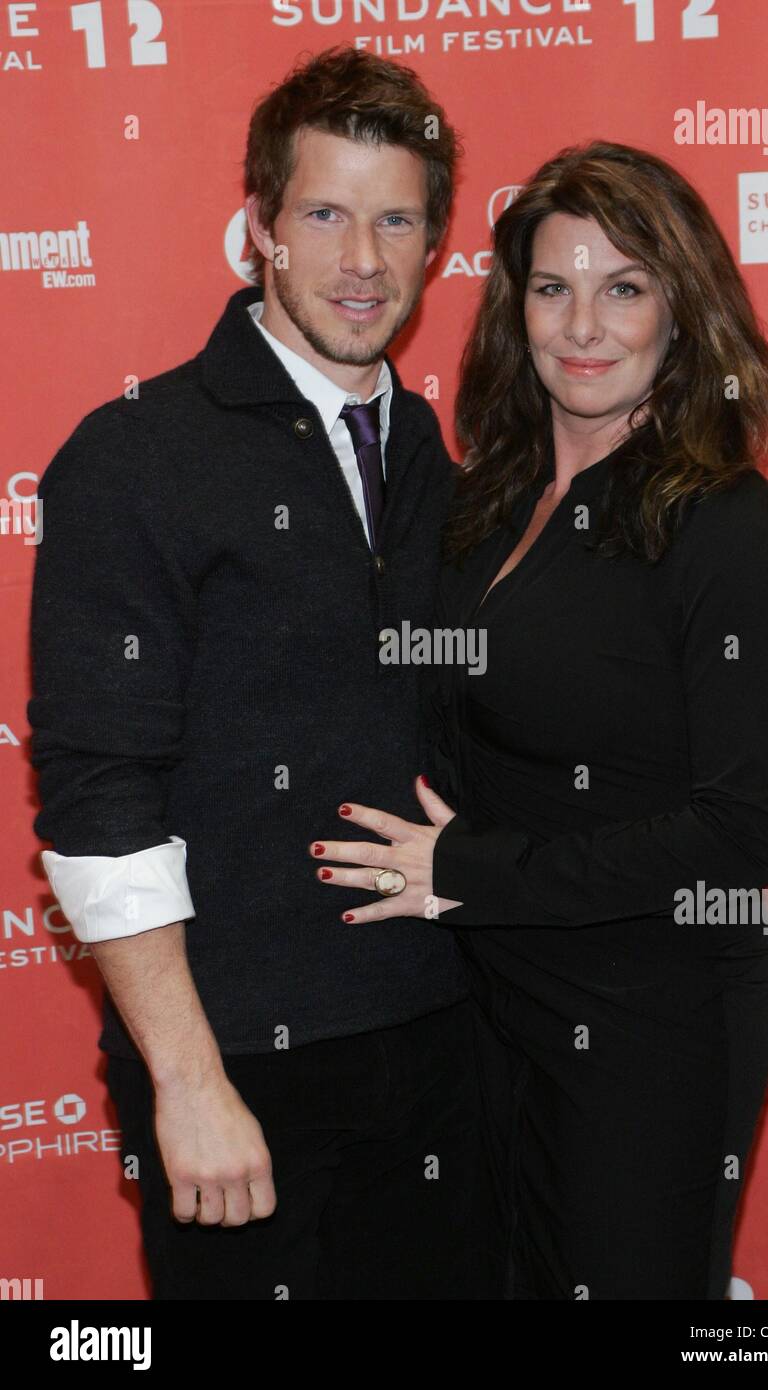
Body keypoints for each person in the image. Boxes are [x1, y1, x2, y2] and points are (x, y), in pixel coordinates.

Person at [309, 141, 768, 1299]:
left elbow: (739, 831)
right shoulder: (491, 497)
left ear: (680, 313)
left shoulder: (724, 530)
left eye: (622, 287)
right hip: (492, 1016)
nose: (582, 324)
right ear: (513, 306)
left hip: (648, 1037)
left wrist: (477, 870)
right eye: (551, 287)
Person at [28, 45, 491, 1300]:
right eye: (325, 214)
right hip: (240, 1066)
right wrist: (185, 1080)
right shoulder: (137, 458)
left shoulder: (426, 453)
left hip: (439, 1046)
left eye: (396, 219)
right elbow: (96, 790)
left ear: (436, 244)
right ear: (260, 232)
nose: (361, 260)